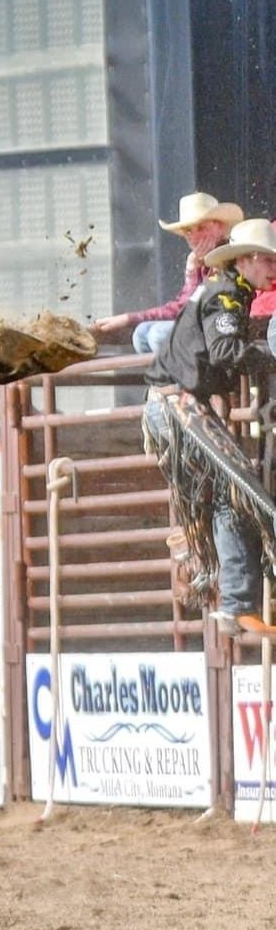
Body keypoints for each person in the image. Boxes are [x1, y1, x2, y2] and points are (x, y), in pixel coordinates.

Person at [143, 215, 276, 635]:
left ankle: (232, 600)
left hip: (169, 405)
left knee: (226, 493)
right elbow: (224, 351)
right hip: (177, 407)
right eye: (270, 262)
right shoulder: (227, 295)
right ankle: (235, 601)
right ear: (250, 259)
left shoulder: (221, 290)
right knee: (240, 488)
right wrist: (269, 357)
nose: (273, 270)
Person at [97, 192, 242, 357]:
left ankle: (188, 382)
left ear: (220, 227)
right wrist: (130, 318)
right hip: (204, 333)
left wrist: (200, 270)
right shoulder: (200, 263)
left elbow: (196, 310)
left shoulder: (234, 256)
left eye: (201, 228)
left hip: (224, 334)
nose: (194, 237)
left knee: (158, 335)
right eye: (188, 231)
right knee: (141, 334)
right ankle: (169, 381)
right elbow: (182, 308)